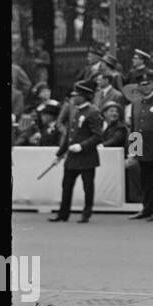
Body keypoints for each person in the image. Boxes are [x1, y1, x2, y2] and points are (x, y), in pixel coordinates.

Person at [48, 81, 104, 223]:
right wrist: (59, 153)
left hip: (86, 156)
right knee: (66, 186)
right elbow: (68, 135)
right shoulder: (75, 110)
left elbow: (98, 135)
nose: (73, 97)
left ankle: (86, 213)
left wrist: (82, 146)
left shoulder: (93, 112)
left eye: (76, 95)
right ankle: (63, 214)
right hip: (72, 157)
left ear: (84, 96)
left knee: (87, 187)